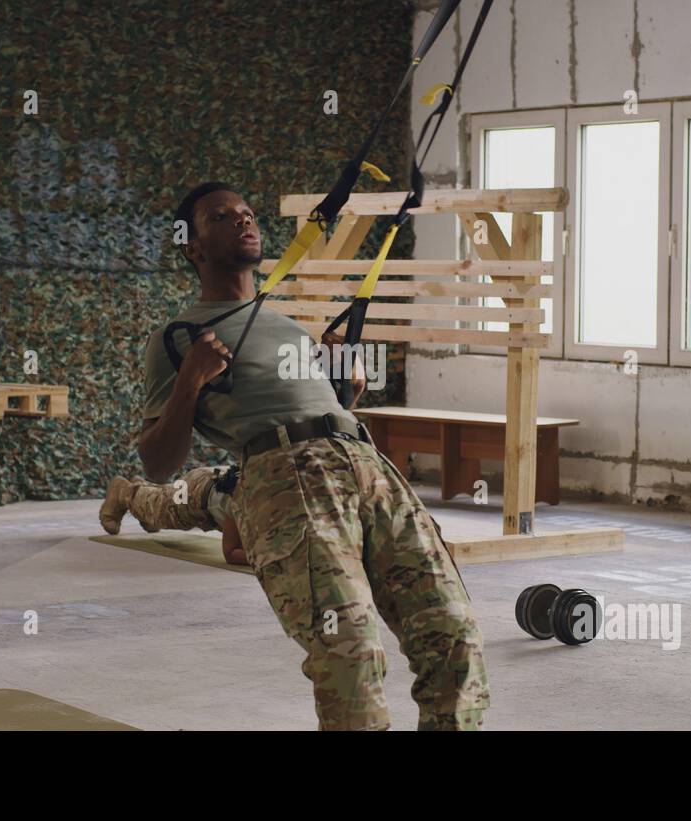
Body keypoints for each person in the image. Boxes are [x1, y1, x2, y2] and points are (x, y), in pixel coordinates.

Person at [138, 182, 489, 730]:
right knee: (348, 651)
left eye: (247, 213)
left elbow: (323, 405)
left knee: (453, 634)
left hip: (367, 466)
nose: (242, 220)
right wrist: (188, 382)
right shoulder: (177, 337)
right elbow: (157, 463)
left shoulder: (288, 329)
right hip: (285, 482)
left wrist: (344, 385)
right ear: (192, 246)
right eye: (221, 216)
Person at [99, 465, 249, 566]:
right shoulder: (242, 503)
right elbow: (231, 552)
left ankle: (145, 492)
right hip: (196, 493)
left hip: (214, 481)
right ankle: (123, 491)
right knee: (161, 512)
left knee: (161, 503)